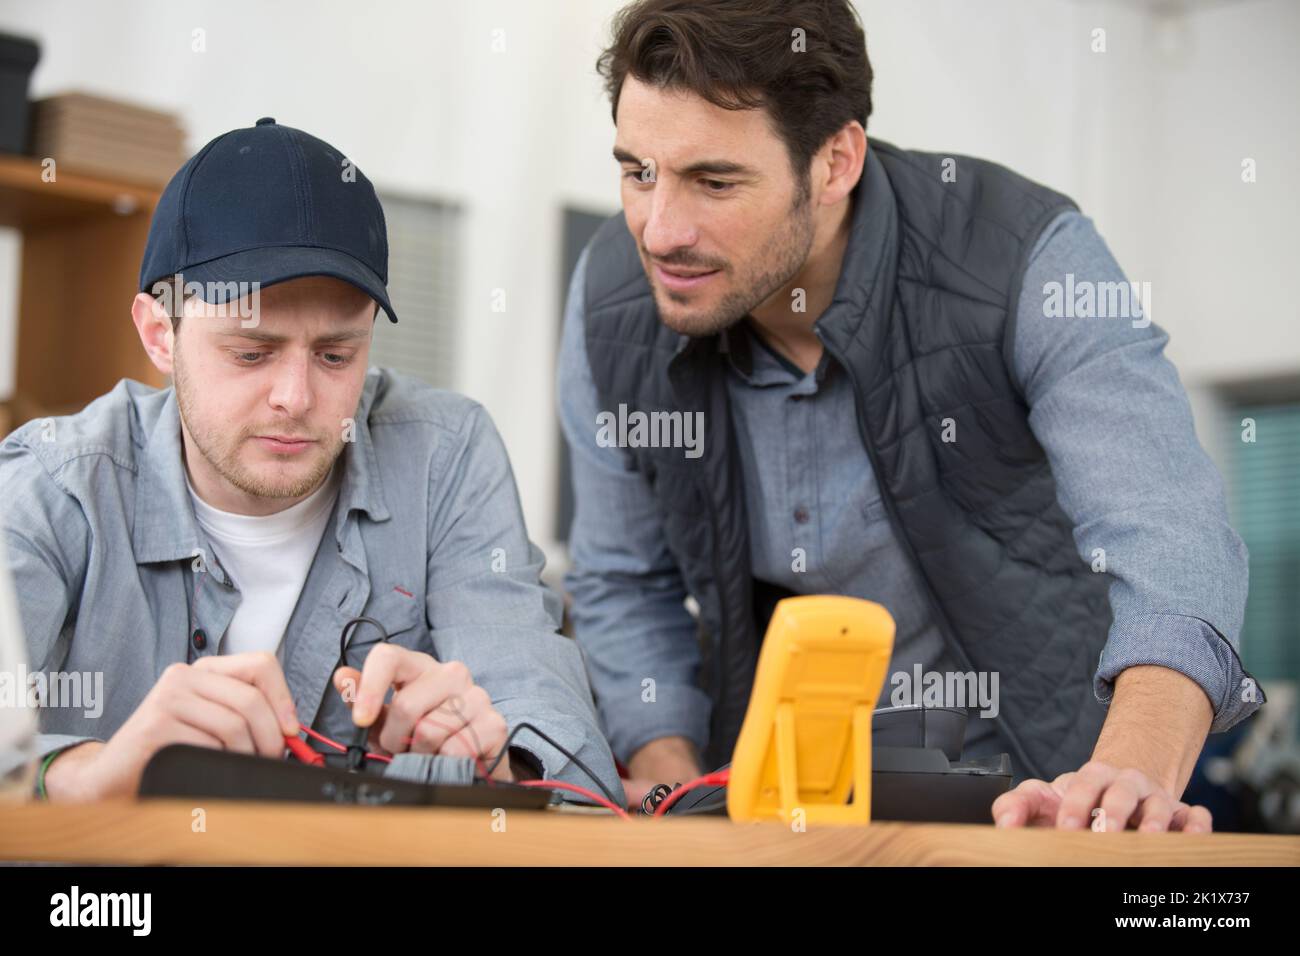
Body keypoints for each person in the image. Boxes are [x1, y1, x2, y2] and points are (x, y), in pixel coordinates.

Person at [557, 0, 1260, 829]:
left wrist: (1132, 772)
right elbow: (623, 580)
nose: (660, 229)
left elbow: (1170, 527)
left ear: (835, 161)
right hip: (778, 810)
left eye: (714, 181)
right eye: (638, 171)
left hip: (1042, 796)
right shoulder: (611, 297)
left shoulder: (1025, 259)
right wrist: (675, 784)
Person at [1, 117, 619, 804]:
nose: (296, 399)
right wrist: (92, 774)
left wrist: (505, 768)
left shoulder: (445, 456)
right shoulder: (55, 484)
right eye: (251, 353)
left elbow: (568, 758)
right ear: (158, 334)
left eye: (336, 355)